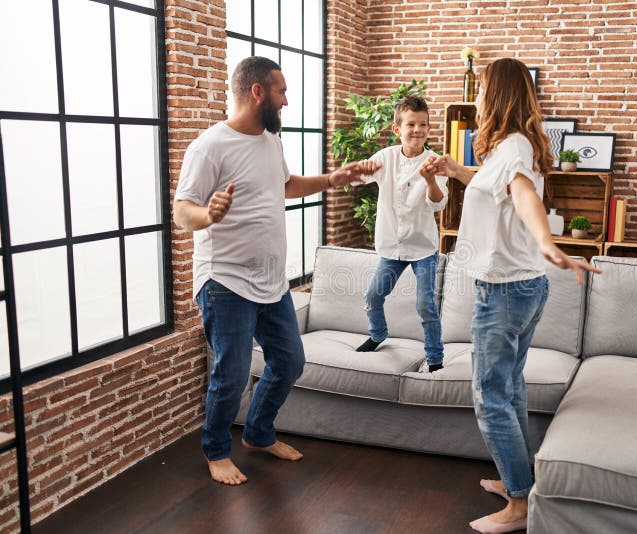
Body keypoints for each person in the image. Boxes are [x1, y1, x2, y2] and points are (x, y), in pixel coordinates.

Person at [424, 58, 601, 533]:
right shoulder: (505, 148)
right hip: (521, 288)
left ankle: (519, 504)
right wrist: (457, 170)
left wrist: (549, 243)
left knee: (490, 396)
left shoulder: (515, 148)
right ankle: (517, 480)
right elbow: (498, 187)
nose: (477, 98)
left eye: (481, 90)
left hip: (505, 293)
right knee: (511, 388)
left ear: (497, 95)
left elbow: (524, 197)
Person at [173, 56, 369, 486]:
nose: (287, 100)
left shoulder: (269, 142)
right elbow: (182, 211)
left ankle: (258, 434)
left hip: (270, 281)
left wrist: (333, 179)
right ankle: (217, 450)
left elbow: (284, 186)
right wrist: (208, 214)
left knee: (289, 360)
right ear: (257, 92)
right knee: (232, 372)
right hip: (224, 280)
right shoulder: (209, 145)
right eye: (281, 91)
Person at [354, 96, 448, 372]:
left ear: (429, 129)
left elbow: (438, 203)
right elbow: (361, 177)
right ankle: (378, 334)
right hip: (391, 247)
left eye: (423, 125)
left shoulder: (434, 162)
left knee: (426, 305)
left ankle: (435, 358)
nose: (417, 130)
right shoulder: (386, 157)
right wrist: (361, 169)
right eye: (411, 124)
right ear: (398, 130)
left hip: (423, 249)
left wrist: (430, 179)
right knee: (372, 296)